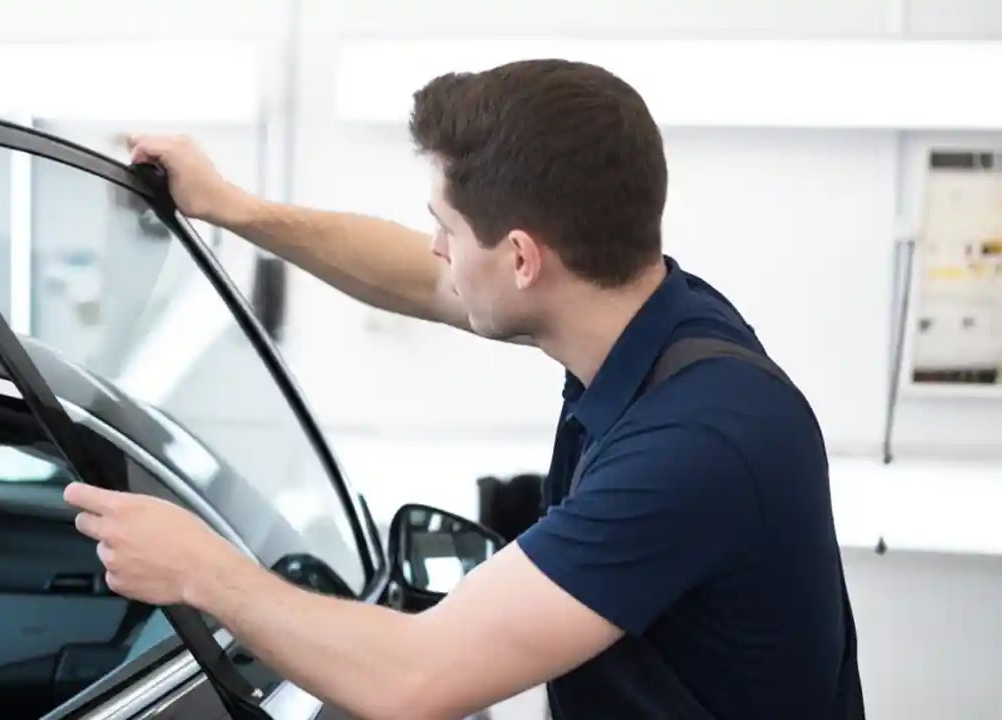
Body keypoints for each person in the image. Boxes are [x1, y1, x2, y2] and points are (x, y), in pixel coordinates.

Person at [64, 59, 863, 719]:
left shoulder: (695, 447)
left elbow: (413, 677)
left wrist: (202, 570)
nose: (436, 249)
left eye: (445, 225)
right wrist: (235, 209)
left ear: (522, 259)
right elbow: (419, 274)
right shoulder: (660, 314)